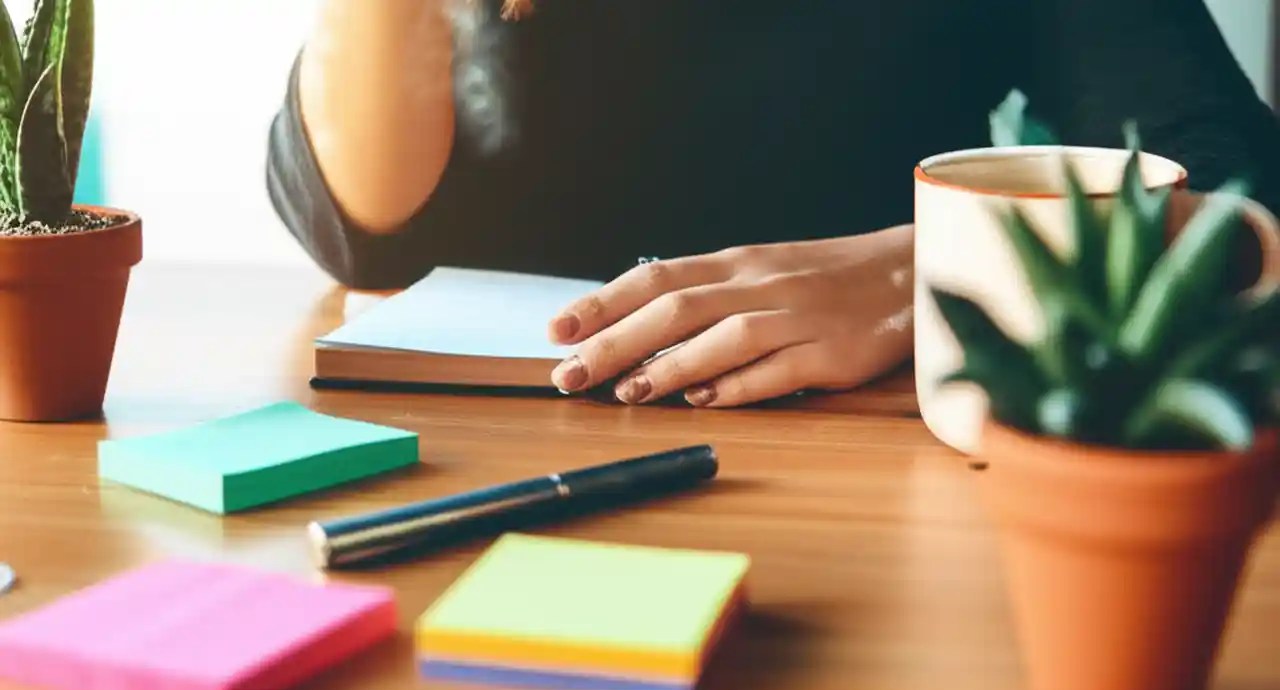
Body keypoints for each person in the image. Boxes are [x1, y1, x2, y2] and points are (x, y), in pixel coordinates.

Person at [267, 0, 1280, 408]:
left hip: (872, 469)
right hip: (467, 456)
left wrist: (934, 265)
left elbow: (1238, 201)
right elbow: (369, 232)